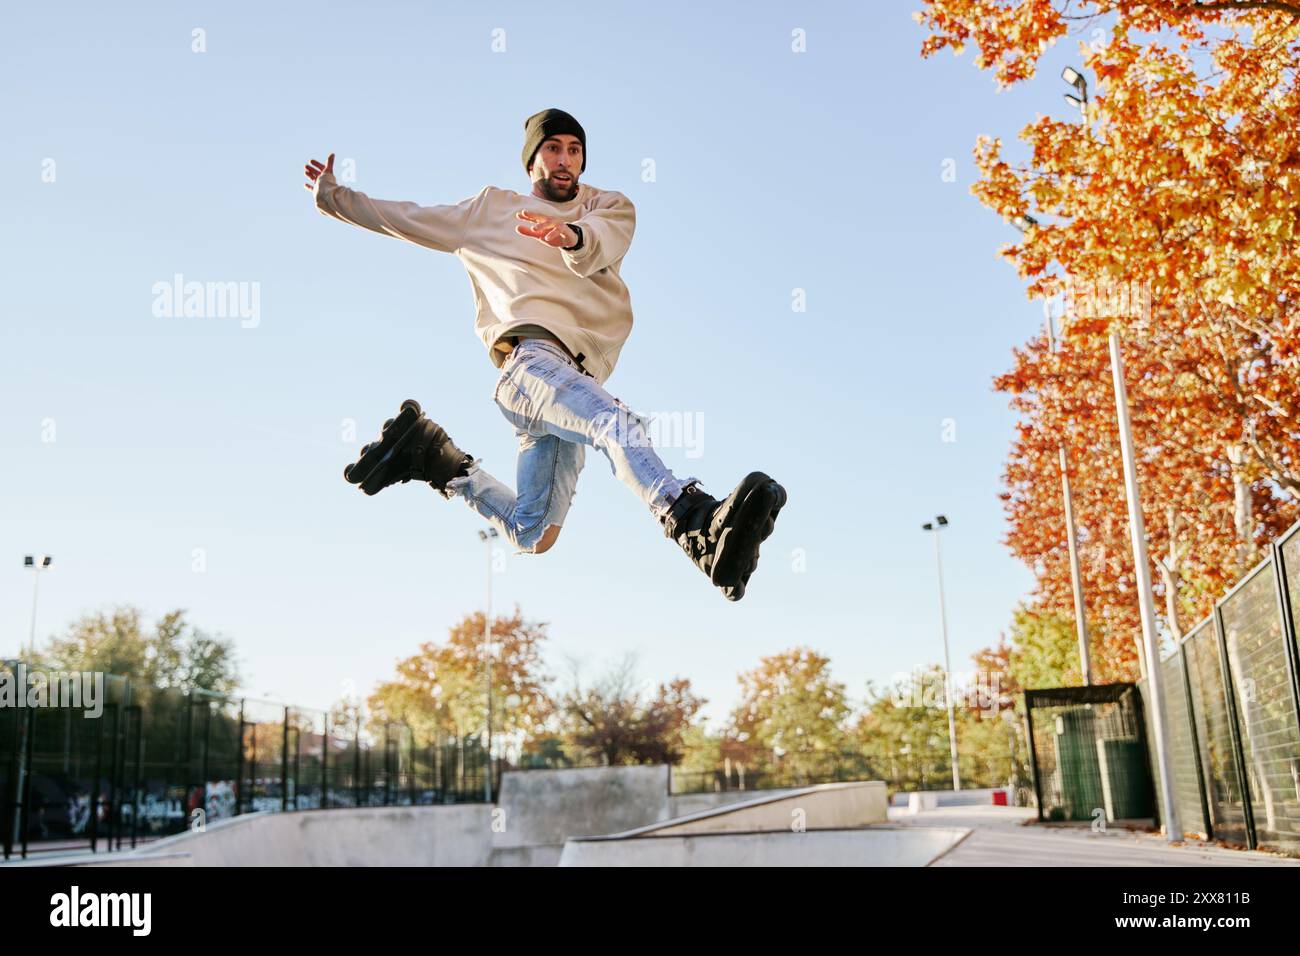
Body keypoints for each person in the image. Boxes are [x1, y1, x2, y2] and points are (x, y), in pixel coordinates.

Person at [304, 108, 785, 600]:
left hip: (574, 382)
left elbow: (599, 239)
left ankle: (437, 460)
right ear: (532, 160)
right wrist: (332, 197)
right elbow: (406, 218)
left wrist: (570, 236)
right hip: (528, 365)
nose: (564, 160)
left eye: (574, 151)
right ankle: (690, 519)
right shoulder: (489, 211)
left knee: (534, 533)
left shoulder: (609, 206)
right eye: (552, 149)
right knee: (615, 423)